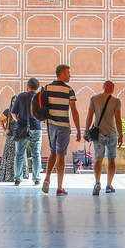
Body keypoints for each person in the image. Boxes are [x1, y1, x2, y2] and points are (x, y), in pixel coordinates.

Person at [40, 65, 81, 196]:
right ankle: (59, 187)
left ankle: (47, 179)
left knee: (53, 152)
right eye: (68, 73)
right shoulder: (69, 90)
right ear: (62, 73)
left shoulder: (47, 88)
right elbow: (74, 112)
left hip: (51, 126)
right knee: (61, 155)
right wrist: (79, 130)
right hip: (63, 126)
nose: (70, 76)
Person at [86, 80, 123, 196]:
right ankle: (108, 185)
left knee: (98, 159)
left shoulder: (94, 99)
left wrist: (86, 131)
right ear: (112, 89)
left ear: (103, 87)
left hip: (98, 134)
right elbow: (118, 119)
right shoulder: (116, 101)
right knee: (111, 159)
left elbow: (90, 116)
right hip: (111, 133)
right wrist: (121, 134)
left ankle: (97, 183)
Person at [9, 77, 42, 184]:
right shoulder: (40, 97)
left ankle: (18, 179)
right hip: (36, 128)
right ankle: (36, 179)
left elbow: (13, 113)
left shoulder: (21, 96)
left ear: (28, 86)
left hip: (22, 127)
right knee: (36, 154)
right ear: (37, 87)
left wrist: (19, 121)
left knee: (19, 154)